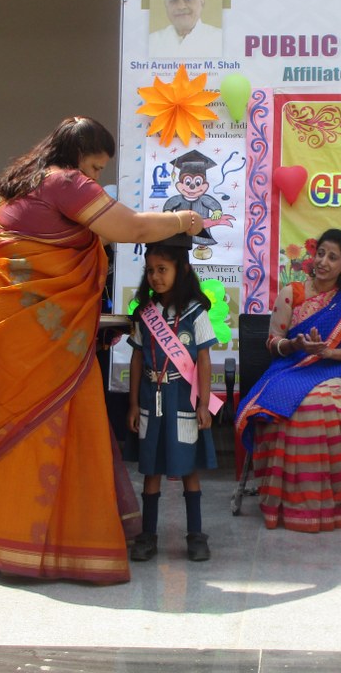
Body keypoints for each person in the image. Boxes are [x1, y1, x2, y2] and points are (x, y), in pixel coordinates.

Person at [0, 115, 205, 583]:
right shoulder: (63, 181)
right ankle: (60, 546)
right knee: (51, 434)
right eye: (96, 168)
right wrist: (184, 219)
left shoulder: (11, 184)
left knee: (19, 440)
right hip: (38, 339)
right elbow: (129, 228)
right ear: (79, 157)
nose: (95, 179)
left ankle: (14, 544)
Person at [235, 228, 341, 533]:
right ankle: (283, 503)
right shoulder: (292, 293)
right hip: (288, 369)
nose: (323, 261)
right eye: (320, 253)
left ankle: (328, 502)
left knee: (322, 406)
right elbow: (273, 341)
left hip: (329, 371)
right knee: (287, 409)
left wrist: (330, 352)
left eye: (333, 257)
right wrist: (296, 346)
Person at [126, 236, 217, 563]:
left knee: (188, 467)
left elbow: (204, 360)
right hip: (152, 398)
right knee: (151, 468)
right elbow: (137, 359)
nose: (156, 277)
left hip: (182, 400)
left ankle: (195, 535)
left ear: (182, 270)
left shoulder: (195, 312)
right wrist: (134, 404)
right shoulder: (145, 313)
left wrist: (204, 404)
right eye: (150, 270)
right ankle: (147, 536)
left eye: (163, 269)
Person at [148, 0, 223, 58]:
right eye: (173, 0)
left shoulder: (220, 39)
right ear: (166, 5)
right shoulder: (151, 41)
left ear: (202, 2)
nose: (181, 6)